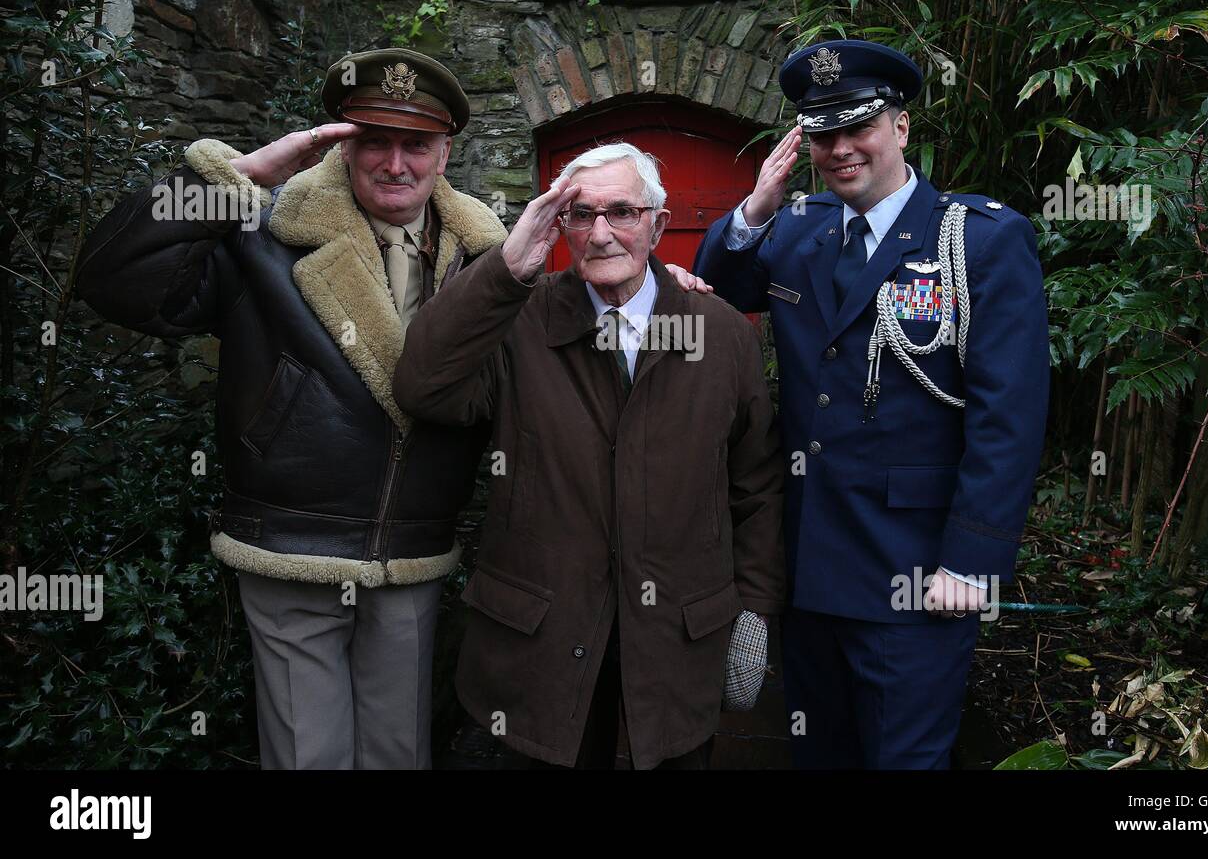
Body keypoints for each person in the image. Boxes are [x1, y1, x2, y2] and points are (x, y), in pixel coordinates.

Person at [77, 48, 507, 769]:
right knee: (311, 757)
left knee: (399, 752)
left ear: (445, 152)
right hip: (291, 548)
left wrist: (665, 291)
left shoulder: (484, 254)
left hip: (414, 549)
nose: (395, 163)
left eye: (416, 144)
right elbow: (112, 278)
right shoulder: (263, 234)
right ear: (342, 143)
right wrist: (233, 180)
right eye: (375, 141)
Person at [689, 39, 1050, 768]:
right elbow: (719, 293)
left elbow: (1007, 416)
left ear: (902, 128)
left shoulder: (976, 240)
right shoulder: (797, 231)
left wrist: (971, 563)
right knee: (818, 753)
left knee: (904, 757)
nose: (842, 149)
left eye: (860, 127)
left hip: (916, 571)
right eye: (824, 134)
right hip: (810, 560)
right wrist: (756, 207)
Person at [392, 142, 785, 769]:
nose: (601, 234)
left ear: (657, 226)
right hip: (538, 647)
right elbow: (421, 385)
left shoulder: (721, 334)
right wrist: (508, 266)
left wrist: (756, 612)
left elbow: (757, 486)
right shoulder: (518, 320)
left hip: (676, 644)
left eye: (622, 213)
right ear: (558, 225)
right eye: (581, 214)